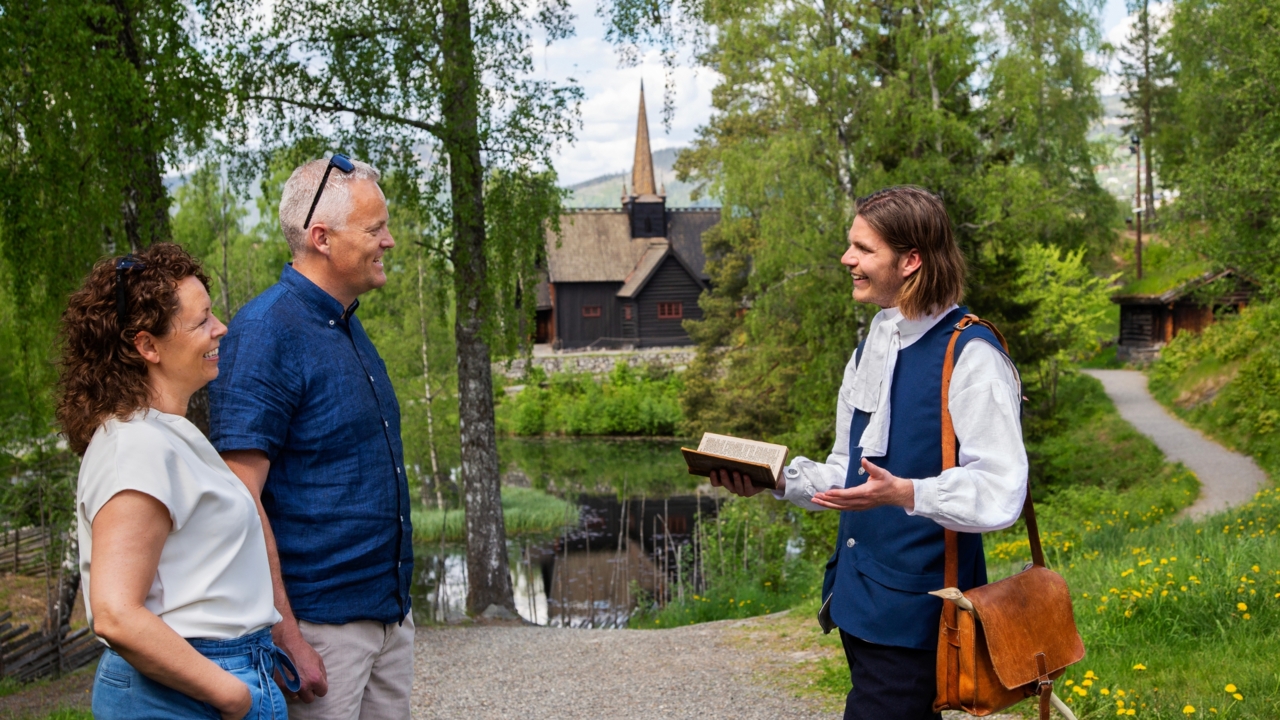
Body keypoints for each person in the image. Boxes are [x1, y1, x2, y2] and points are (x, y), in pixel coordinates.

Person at [711, 186, 1028, 720]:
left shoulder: (972, 357)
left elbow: (1002, 491)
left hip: (919, 613)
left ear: (910, 261)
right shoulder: (874, 341)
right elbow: (846, 469)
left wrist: (905, 492)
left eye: (863, 249)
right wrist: (777, 480)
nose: (847, 259)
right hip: (856, 599)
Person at [209, 155, 413, 720]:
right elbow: (238, 498)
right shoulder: (265, 332)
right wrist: (287, 634)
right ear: (322, 238)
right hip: (320, 632)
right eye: (375, 229)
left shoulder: (345, 321)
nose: (389, 241)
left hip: (388, 618)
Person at [61, 242, 298, 720]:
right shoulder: (135, 447)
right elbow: (114, 613)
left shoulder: (169, 434)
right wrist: (230, 694)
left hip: (215, 675)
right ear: (148, 346)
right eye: (202, 321)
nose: (221, 328)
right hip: (179, 694)